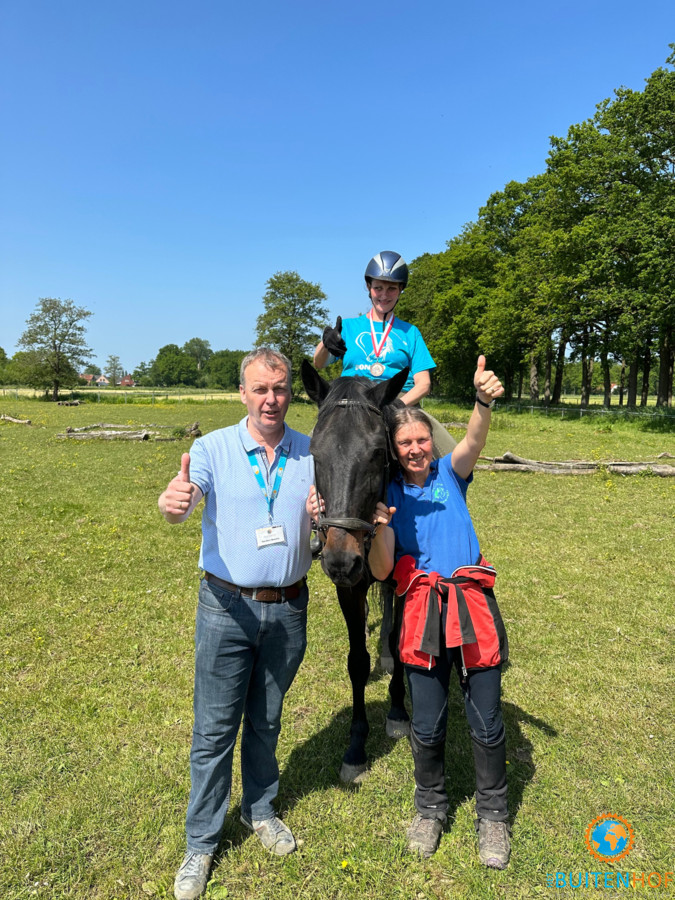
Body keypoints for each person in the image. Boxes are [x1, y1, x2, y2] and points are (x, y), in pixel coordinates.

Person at [158, 348, 314, 900]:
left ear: (289, 391)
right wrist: (175, 501)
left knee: (267, 721)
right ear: (242, 394)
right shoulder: (213, 448)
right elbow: (185, 493)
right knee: (214, 730)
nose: (271, 399)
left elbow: (328, 511)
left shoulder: (311, 451)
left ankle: (259, 810)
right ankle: (200, 844)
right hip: (226, 608)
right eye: (260, 389)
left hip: (290, 608)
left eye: (280, 388)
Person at [367, 356, 511, 869]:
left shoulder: (452, 473)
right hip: (422, 615)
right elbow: (382, 572)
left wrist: (482, 401)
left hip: (471, 607)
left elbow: (473, 440)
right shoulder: (384, 496)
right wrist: (381, 526)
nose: (414, 449)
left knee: (487, 721)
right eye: (404, 444)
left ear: (432, 442)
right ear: (394, 450)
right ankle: (430, 809)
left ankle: (493, 817)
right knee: (426, 725)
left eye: (421, 441)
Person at [313, 250, 455, 456]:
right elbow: (319, 363)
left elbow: (423, 384)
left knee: (450, 451)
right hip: (352, 402)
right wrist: (325, 344)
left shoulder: (410, 333)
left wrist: (395, 406)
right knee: (316, 447)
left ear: (400, 291)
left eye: (391, 289)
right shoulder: (349, 327)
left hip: (399, 403)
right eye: (378, 288)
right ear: (369, 288)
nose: (384, 295)